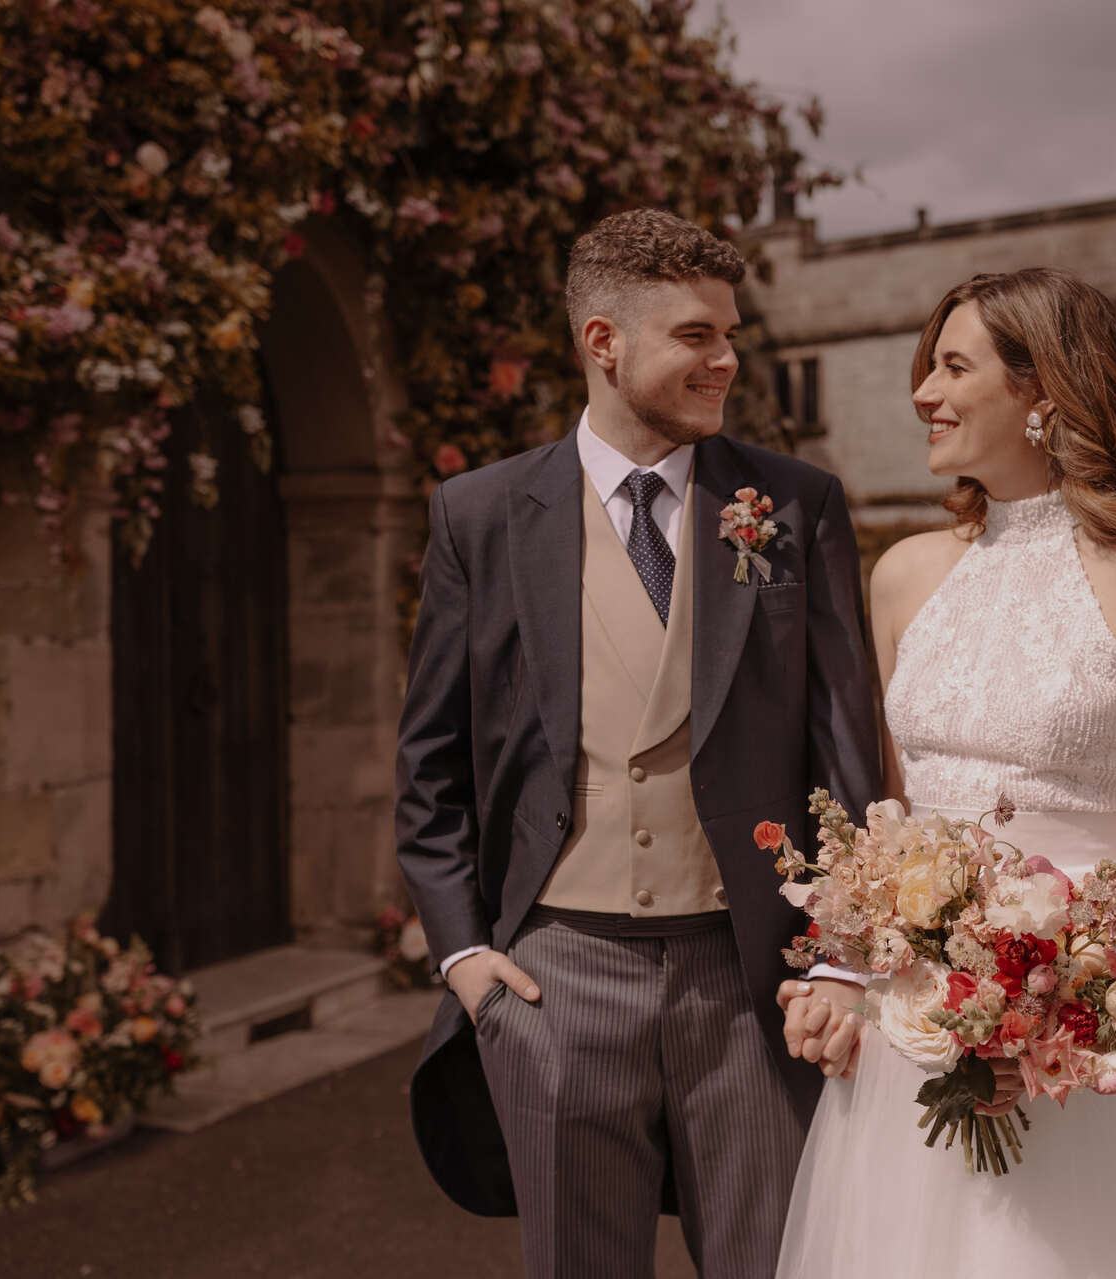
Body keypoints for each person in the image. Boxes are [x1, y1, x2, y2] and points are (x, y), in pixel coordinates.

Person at [773, 268, 1116, 1276]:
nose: (922, 392)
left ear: (1044, 394)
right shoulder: (902, 574)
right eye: (926, 366)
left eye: (953, 366)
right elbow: (889, 820)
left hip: (1086, 1019)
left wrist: (1079, 1006)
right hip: (917, 1026)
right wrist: (847, 969)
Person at [394, 207, 883, 1277]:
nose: (728, 358)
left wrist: (842, 957)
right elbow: (431, 765)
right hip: (555, 977)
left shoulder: (793, 506)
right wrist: (470, 959)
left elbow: (845, 757)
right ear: (602, 342)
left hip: (752, 979)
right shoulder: (479, 514)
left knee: (771, 1264)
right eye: (697, 335)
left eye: (731, 332)